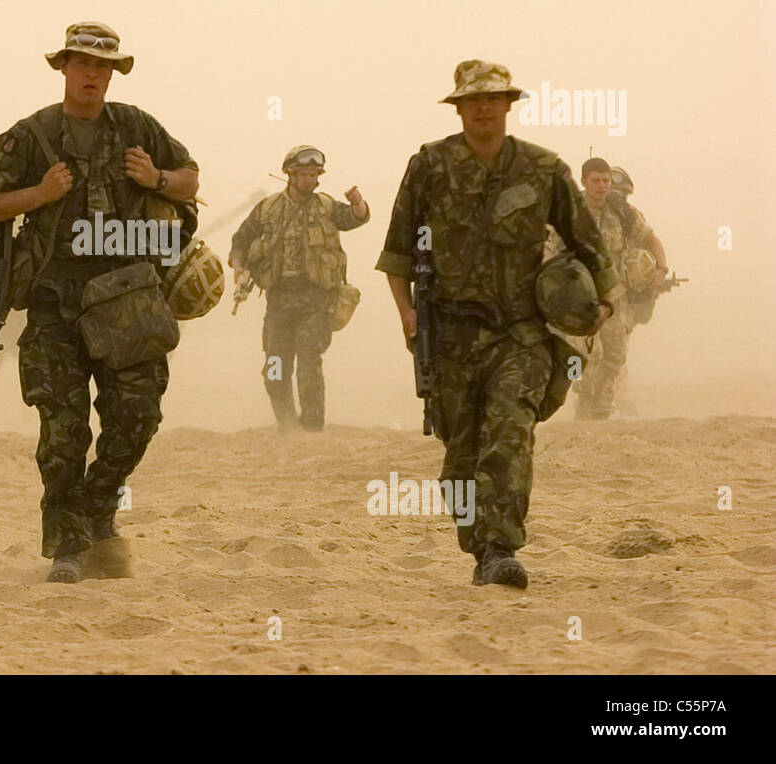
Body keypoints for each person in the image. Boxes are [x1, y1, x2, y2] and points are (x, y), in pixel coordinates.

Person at [0, 21, 199, 583]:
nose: (92, 74)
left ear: (113, 74)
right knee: (63, 433)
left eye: (103, 66)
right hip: (55, 304)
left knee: (137, 418)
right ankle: (68, 546)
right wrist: (39, 195)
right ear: (64, 68)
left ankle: (98, 510)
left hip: (127, 301)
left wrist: (159, 177)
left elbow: (190, 180)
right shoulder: (32, 136)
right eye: (82, 63)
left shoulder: (138, 127)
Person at [376, 60, 618, 588]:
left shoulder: (543, 168)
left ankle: (499, 547)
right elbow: (397, 253)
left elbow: (588, 244)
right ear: (459, 108)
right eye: (473, 101)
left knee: (510, 430)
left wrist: (603, 305)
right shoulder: (430, 167)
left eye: (493, 99)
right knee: (462, 451)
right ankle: (478, 543)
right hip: (450, 332)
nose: (483, 109)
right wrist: (408, 313)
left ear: (509, 105)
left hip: (521, 332)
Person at [228, 146, 369, 431]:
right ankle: (287, 426)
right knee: (275, 367)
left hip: (315, 299)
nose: (309, 180)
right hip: (279, 298)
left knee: (308, 364)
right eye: (304, 174)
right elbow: (240, 240)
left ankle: (312, 430)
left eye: (314, 174)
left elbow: (356, 218)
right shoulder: (268, 209)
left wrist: (358, 203)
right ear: (290, 175)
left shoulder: (326, 207)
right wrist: (239, 271)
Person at [573, 158, 667, 420]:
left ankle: (601, 402)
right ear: (584, 182)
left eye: (606, 180)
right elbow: (548, 250)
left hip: (615, 297)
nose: (602, 186)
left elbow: (651, 238)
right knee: (587, 356)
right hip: (580, 296)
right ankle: (585, 400)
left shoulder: (624, 213)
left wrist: (660, 268)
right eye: (596, 181)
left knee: (616, 355)